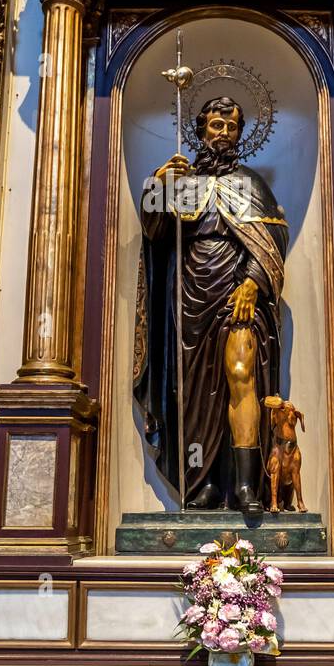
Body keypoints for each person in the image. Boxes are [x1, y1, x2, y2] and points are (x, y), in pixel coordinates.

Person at [134, 95, 287, 514]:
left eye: (232, 127)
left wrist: (254, 282)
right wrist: (157, 185)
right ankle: (202, 484)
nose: (223, 134)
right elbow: (156, 234)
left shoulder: (251, 184)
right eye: (216, 126)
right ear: (201, 130)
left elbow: (272, 242)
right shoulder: (183, 186)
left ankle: (245, 486)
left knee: (241, 378)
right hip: (190, 294)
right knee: (194, 389)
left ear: (240, 134)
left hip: (238, 293)